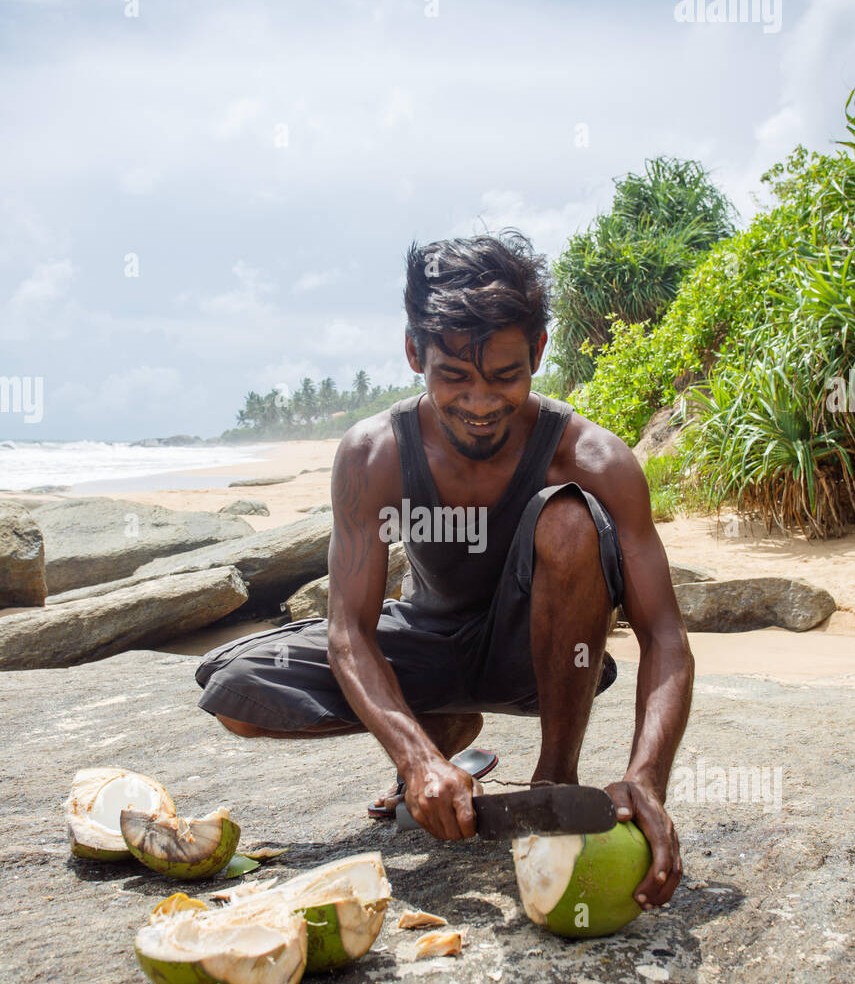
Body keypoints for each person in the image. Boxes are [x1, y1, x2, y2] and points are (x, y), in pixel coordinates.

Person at [195, 231, 694, 912]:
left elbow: (664, 635)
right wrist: (415, 759)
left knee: (572, 519)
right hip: (424, 646)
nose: (481, 402)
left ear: (540, 352)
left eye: (505, 376)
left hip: (536, 660)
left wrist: (647, 777)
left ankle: (553, 775)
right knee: (239, 689)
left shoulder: (593, 458)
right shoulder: (374, 455)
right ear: (413, 353)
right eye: (454, 375)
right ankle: (442, 729)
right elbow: (348, 633)